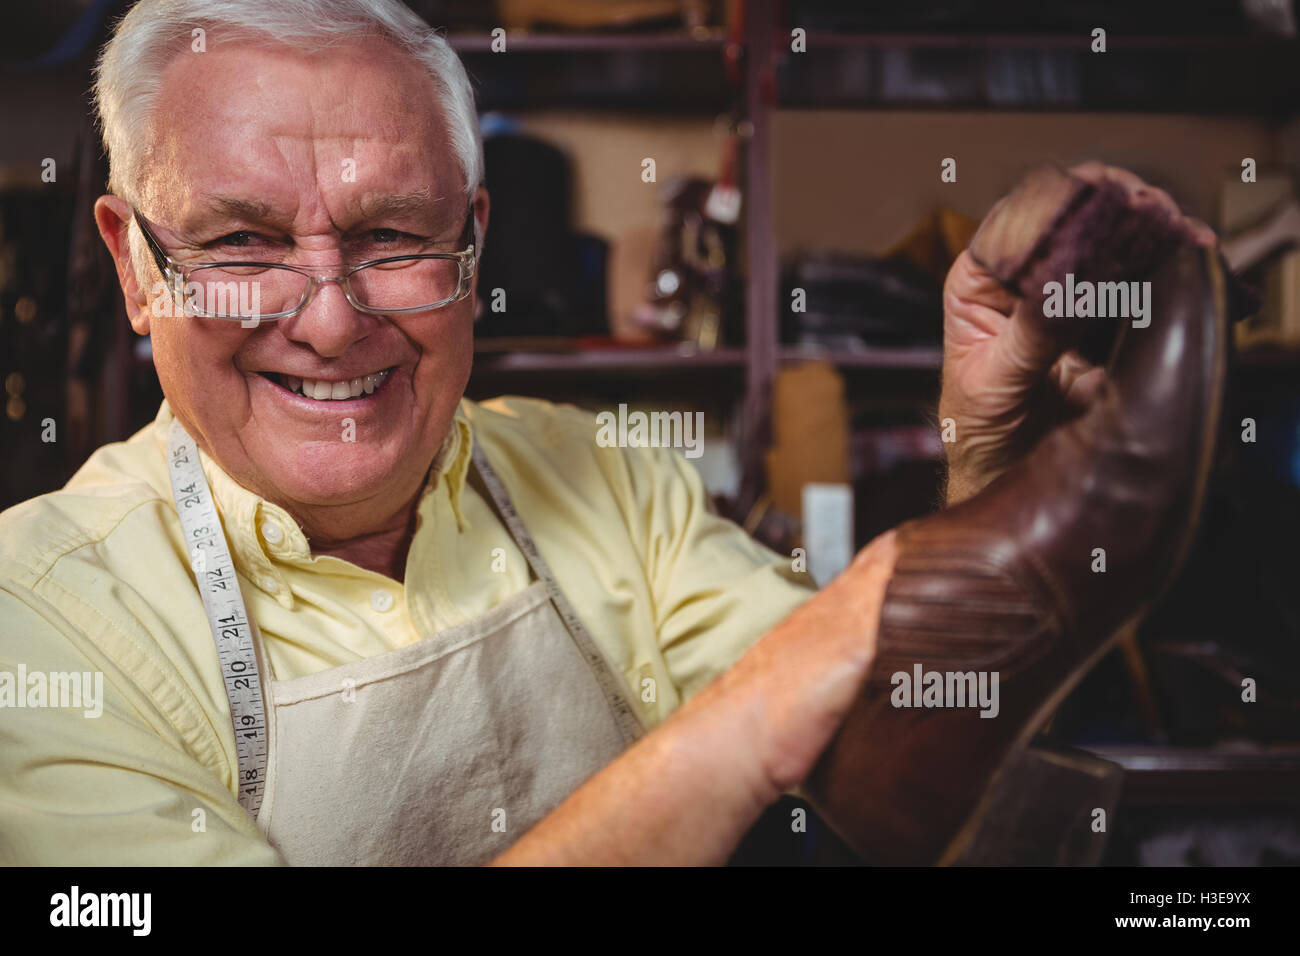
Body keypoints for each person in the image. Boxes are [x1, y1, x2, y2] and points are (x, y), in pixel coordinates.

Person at [0, 0, 1217, 865]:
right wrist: (773, 692)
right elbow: (788, 703)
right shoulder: (36, 613)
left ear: (475, 244)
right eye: (240, 243)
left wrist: (994, 496)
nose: (330, 319)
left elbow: (861, 793)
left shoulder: (602, 479)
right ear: (135, 265)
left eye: (394, 236)